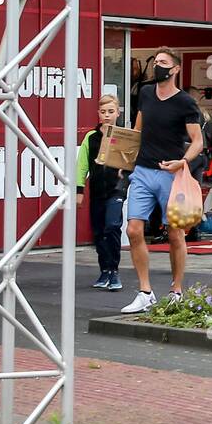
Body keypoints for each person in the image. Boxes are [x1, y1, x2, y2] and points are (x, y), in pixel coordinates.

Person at [119, 48, 204, 314]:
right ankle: (145, 292)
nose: (158, 66)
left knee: (176, 233)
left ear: (176, 69)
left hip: (172, 174)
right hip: (143, 170)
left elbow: (198, 141)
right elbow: (137, 130)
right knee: (133, 229)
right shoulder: (145, 93)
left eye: (163, 63)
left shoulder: (185, 103)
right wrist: (125, 161)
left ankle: (176, 290)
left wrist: (183, 162)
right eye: (156, 62)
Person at [76, 95, 128, 292]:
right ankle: (104, 269)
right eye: (103, 112)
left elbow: (130, 160)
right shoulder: (91, 137)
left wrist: (126, 177)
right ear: (98, 114)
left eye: (111, 112)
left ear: (118, 113)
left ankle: (114, 270)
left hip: (116, 189)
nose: (107, 116)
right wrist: (79, 190)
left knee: (112, 226)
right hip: (97, 190)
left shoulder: (124, 135)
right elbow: (81, 165)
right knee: (98, 232)